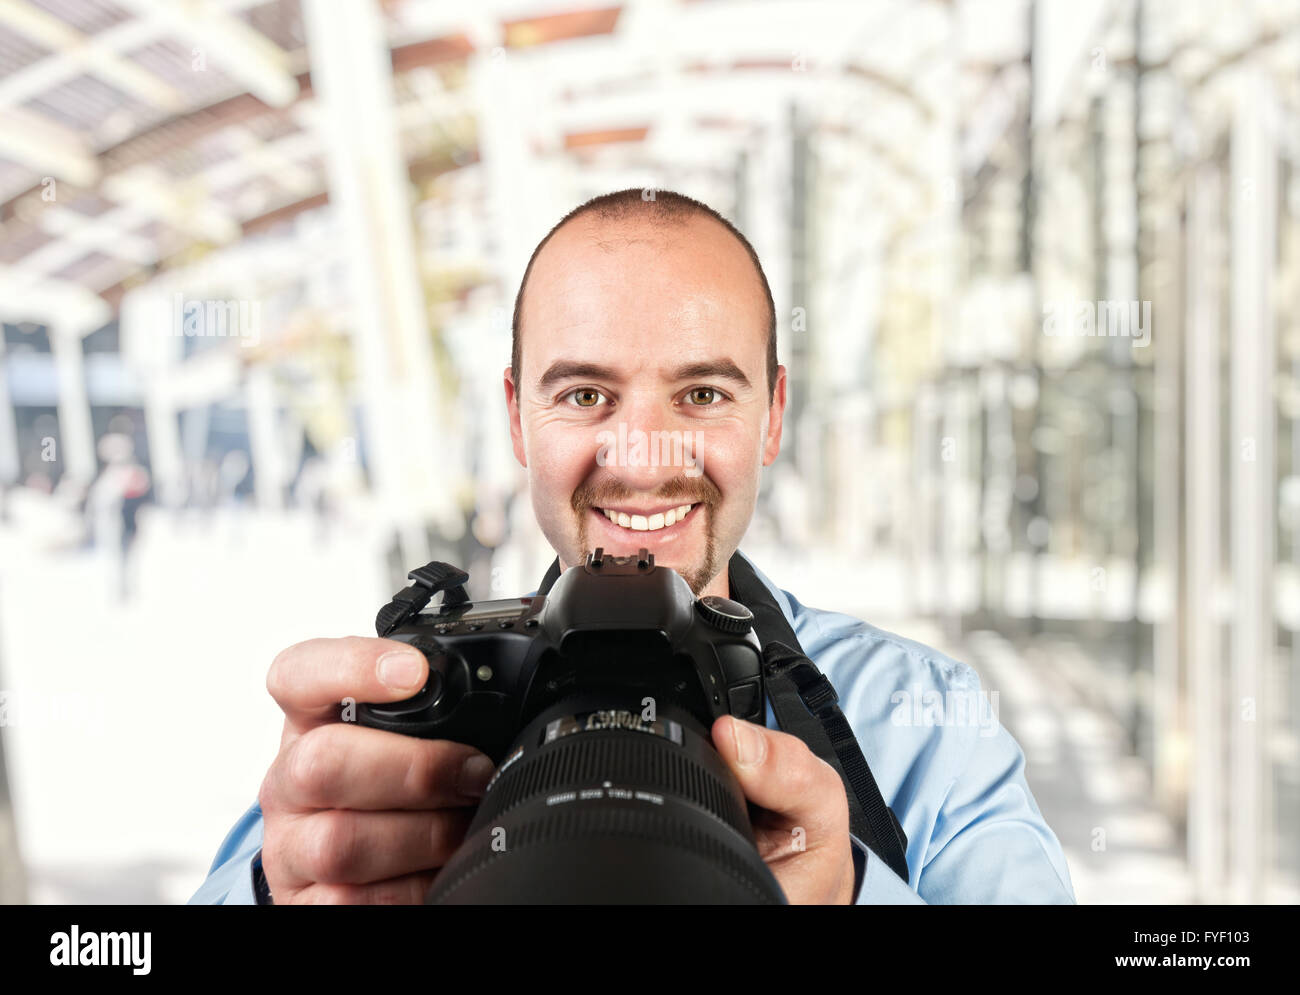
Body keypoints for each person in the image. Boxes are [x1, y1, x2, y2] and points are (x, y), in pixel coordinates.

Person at [190, 189, 1075, 905]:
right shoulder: (421, 715)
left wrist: (850, 895)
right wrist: (290, 880)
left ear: (772, 416)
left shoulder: (919, 720)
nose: (642, 456)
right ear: (515, 419)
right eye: (583, 396)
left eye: (701, 395)